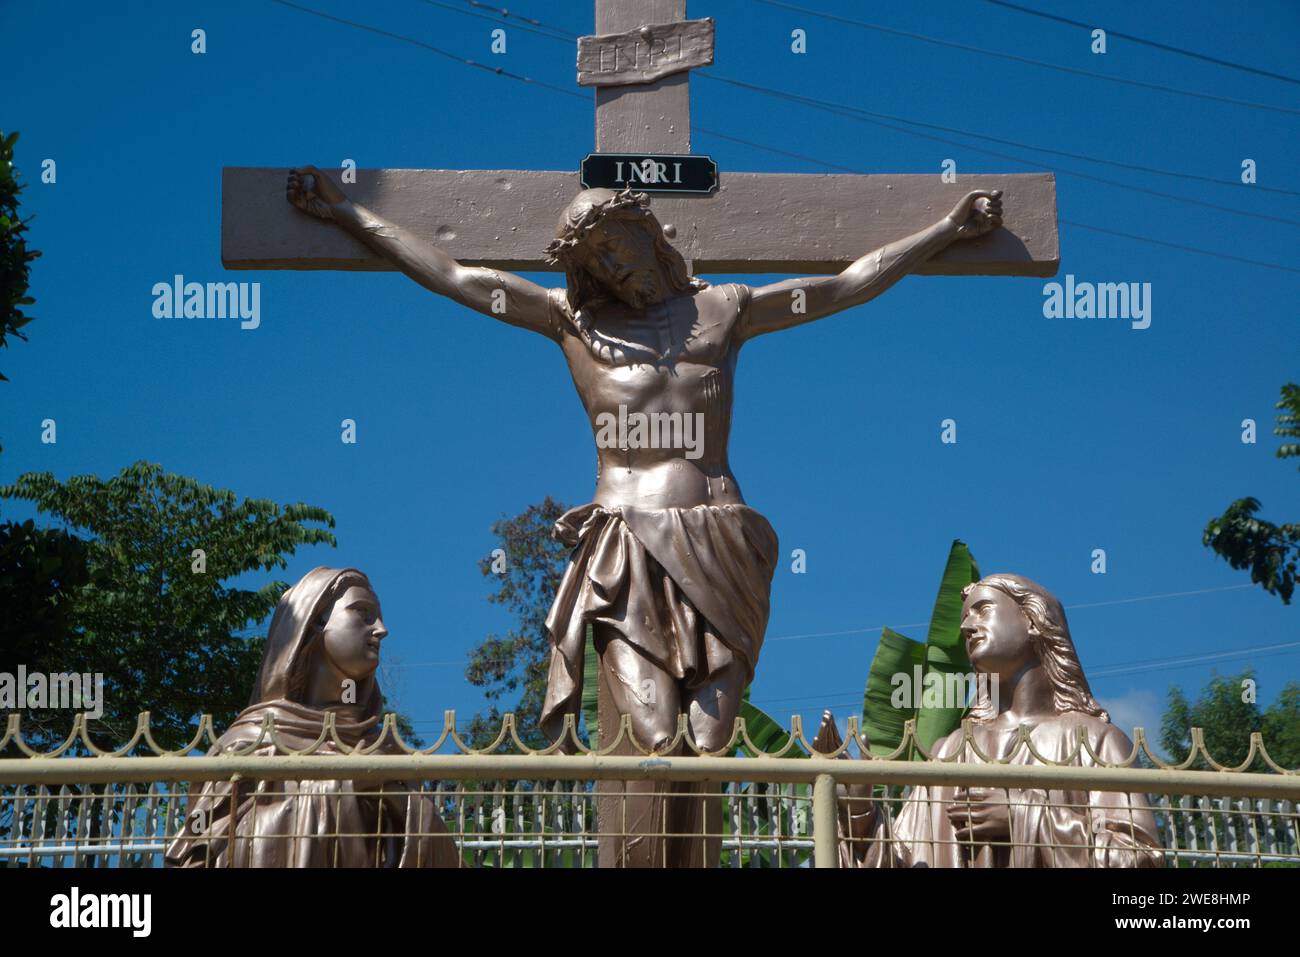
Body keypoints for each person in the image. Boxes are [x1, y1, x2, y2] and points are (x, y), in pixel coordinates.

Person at [286, 169, 1002, 864]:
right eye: (592, 260)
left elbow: (845, 285)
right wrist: (348, 213)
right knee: (653, 740)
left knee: (710, 746)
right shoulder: (574, 322)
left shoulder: (726, 310)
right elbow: (453, 275)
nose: (608, 267)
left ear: (644, 230)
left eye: (611, 247)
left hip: (720, 543)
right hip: (627, 549)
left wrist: (944, 229)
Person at [819, 573, 1163, 867]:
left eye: (983, 610)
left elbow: (1139, 860)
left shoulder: (1095, 740)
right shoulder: (952, 751)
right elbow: (910, 859)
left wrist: (1021, 815)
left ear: (1033, 620)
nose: (967, 627)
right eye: (965, 618)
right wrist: (860, 815)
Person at [165, 567, 459, 868]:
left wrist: (401, 802)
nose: (381, 629)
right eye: (364, 613)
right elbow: (205, 854)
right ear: (316, 620)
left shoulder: (382, 750)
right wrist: (347, 785)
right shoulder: (250, 743)